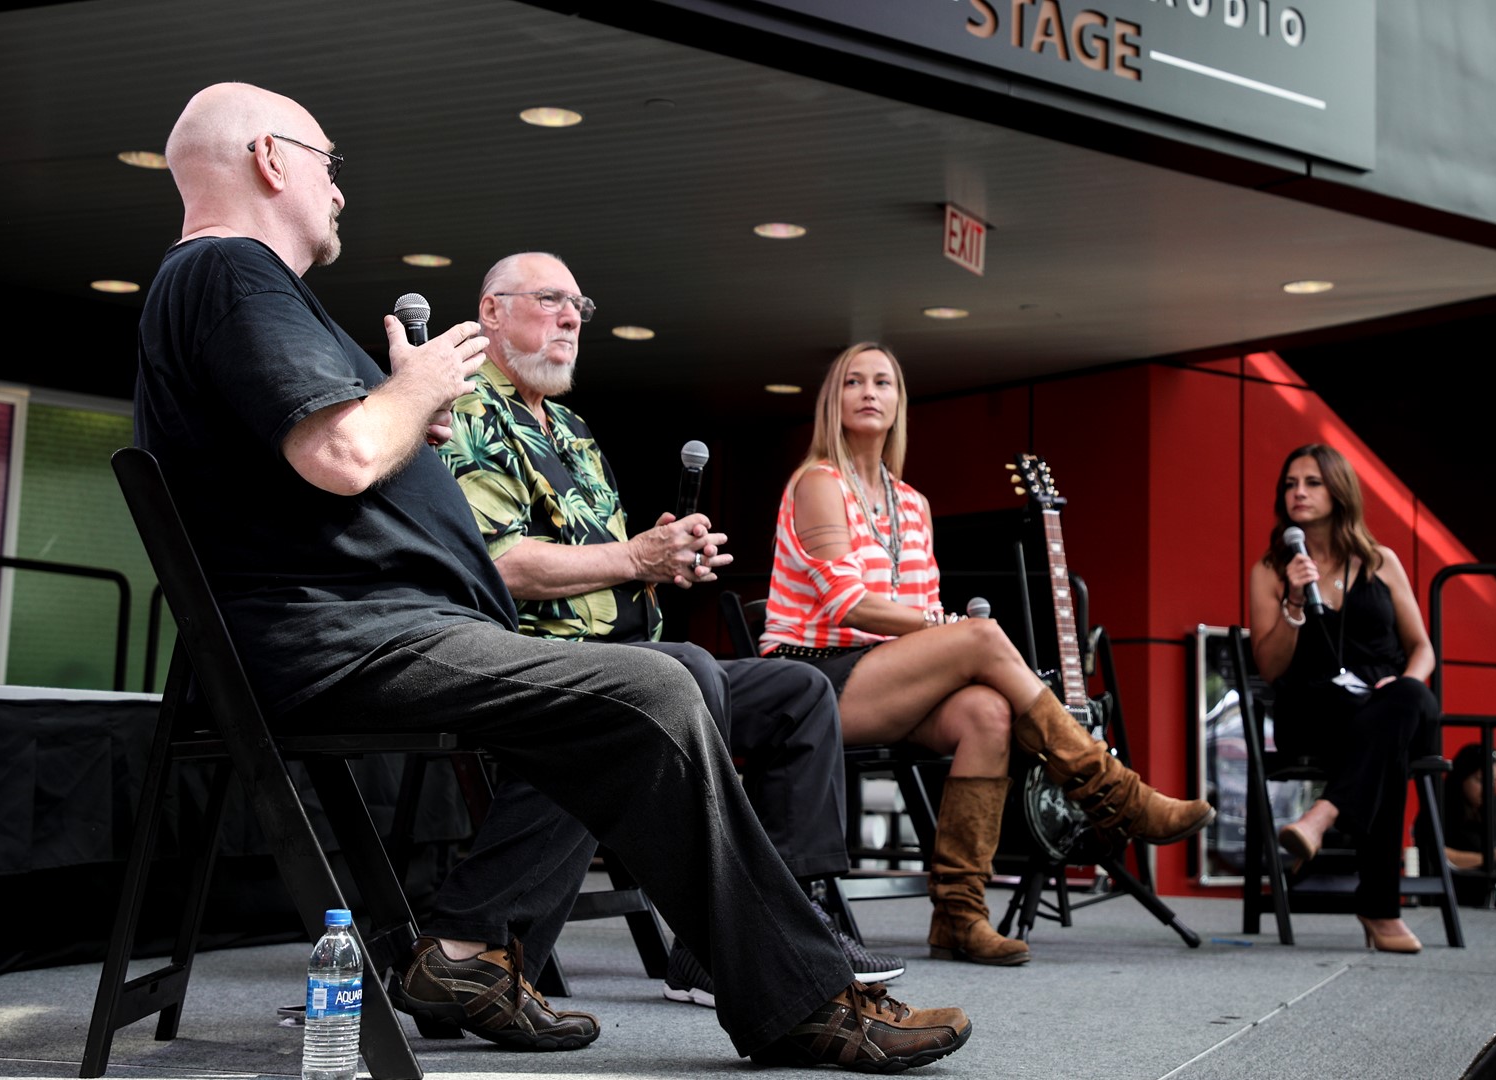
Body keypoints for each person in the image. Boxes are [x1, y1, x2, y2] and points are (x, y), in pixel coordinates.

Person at [133, 83, 969, 1070]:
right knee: (653, 684)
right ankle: (800, 997)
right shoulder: (232, 271)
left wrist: (414, 421)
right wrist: (414, 393)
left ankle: (469, 951)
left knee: (661, 680)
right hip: (347, 640)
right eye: (330, 163)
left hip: (381, 629)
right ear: (272, 161)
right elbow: (342, 458)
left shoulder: (230, 285)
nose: (340, 192)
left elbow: (337, 456)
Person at [432, 251, 907, 1005]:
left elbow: (600, 564)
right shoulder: (463, 409)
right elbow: (504, 566)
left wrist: (658, 561)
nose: (569, 320)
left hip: (630, 656)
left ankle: (749, 928)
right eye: (551, 300)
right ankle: (746, 940)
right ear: (491, 311)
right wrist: (633, 555)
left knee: (800, 691)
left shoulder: (574, 431)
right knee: (684, 670)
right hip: (534, 664)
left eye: (578, 308)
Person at [759, 342, 1215, 967]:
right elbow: (848, 605)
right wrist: (944, 630)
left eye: (884, 383)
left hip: (886, 678)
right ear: (831, 402)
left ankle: (959, 915)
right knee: (979, 636)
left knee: (987, 713)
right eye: (853, 382)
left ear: (899, 403)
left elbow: (923, 610)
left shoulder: (912, 504)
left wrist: (940, 631)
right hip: (808, 677)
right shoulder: (817, 483)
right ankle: (1118, 796)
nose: (869, 392)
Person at [1248, 442, 1440, 954]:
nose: (1298, 493)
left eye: (1311, 482)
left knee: (1401, 704)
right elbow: (1270, 667)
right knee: (1387, 744)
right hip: (1315, 709)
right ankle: (1380, 910)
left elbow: (1422, 650)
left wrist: (1405, 684)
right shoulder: (1270, 569)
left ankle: (1323, 815)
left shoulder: (1382, 562)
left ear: (1339, 490)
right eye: (1290, 484)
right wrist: (1293, 599)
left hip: (1388, 700)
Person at [1414, 743, 1496, 906]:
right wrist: (1486, 858)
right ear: (1462, 777)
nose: (1488, 788)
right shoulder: (1441, 807)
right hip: (1458, 900)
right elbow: (1432, 852)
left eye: (1494, 781)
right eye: (1480, 780)